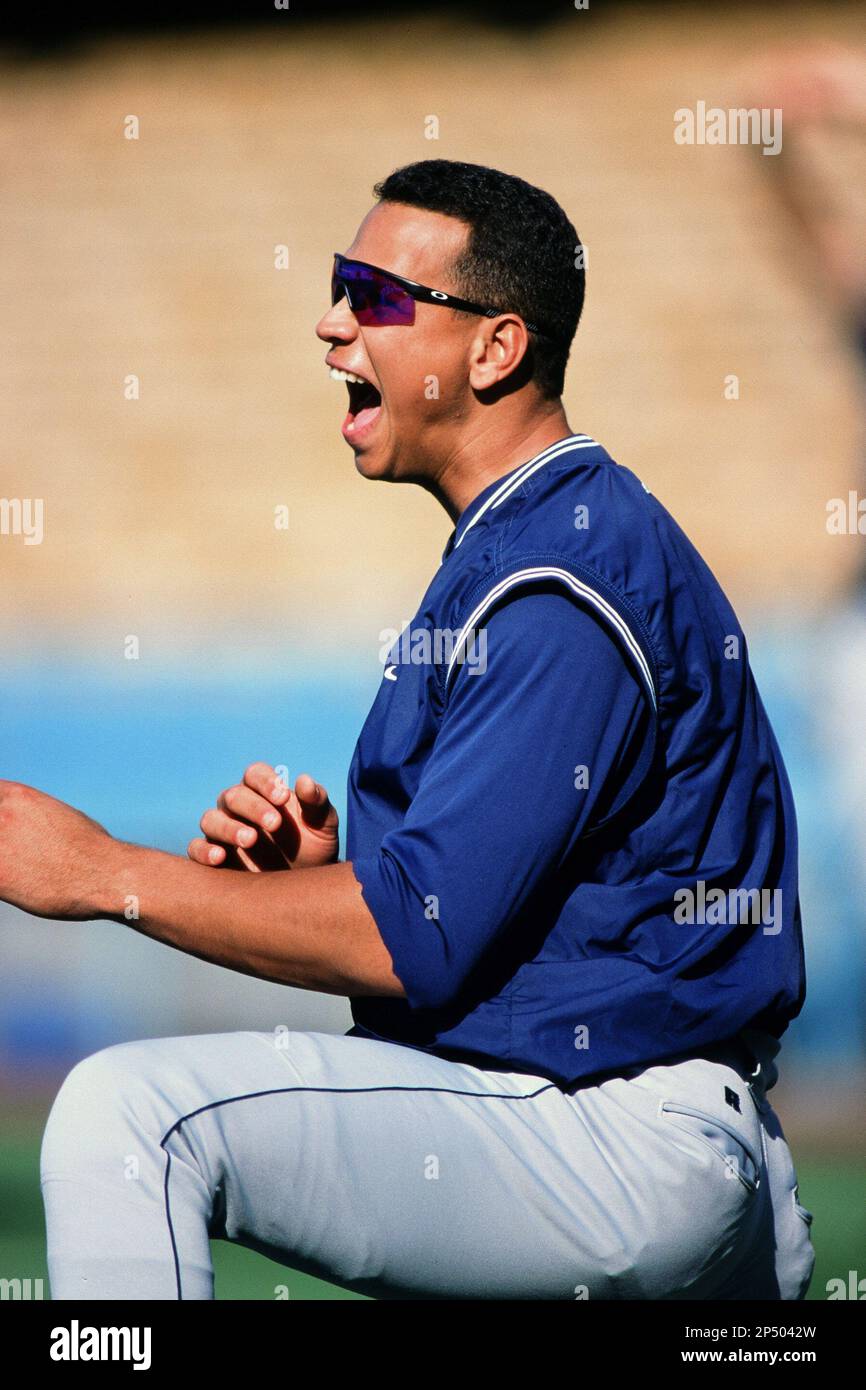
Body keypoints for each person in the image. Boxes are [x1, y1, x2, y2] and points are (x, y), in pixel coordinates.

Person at [0, 160, 814, 1299]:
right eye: (341, 284)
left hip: (613, 1142)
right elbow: (459, 937)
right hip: (638, 1141)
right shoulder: (545, 539)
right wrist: (317, 884)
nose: (331, 324)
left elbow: (411, 938)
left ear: (493, 350)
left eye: (376, 296)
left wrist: (98, 873)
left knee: (128, 1115)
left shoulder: (554, 578)